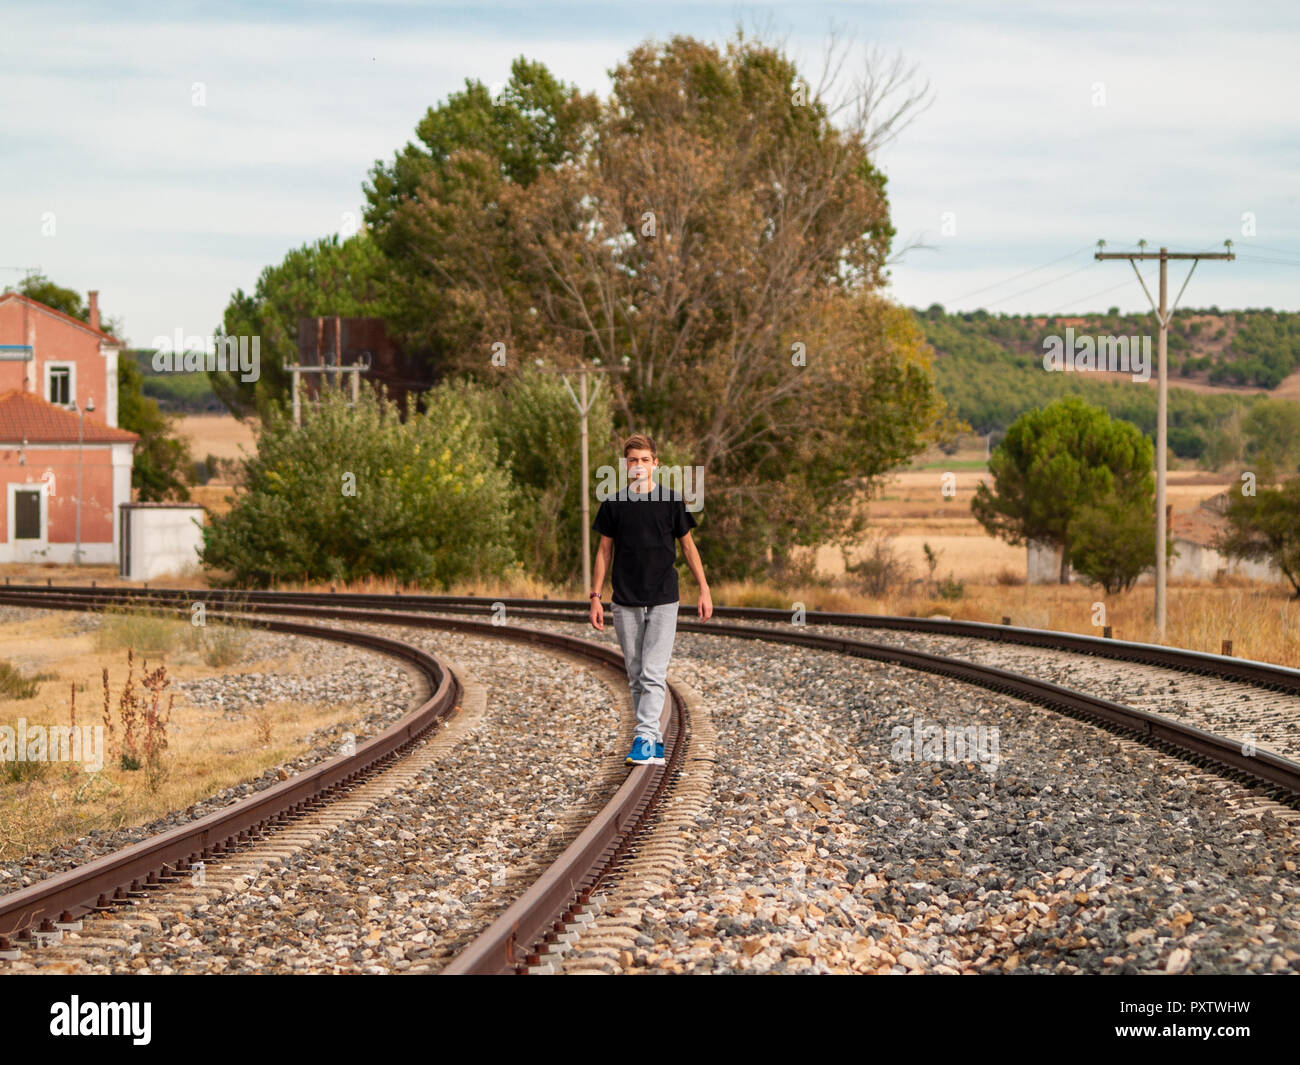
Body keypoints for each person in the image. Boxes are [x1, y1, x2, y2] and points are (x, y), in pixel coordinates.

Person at [590, 433, 712, 766]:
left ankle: (643, 739)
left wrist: (704, 588)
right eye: (633, 460)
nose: (639, 466)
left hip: (663, 598)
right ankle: (653, 740)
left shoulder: (672, 502)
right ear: (625, 465)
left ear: (655, 464)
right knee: (635, 674)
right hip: (625, 599)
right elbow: (604, 552)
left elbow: (688, 548)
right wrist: (596, 596)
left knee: (653, 673)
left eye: (645, 460)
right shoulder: (613, 504)